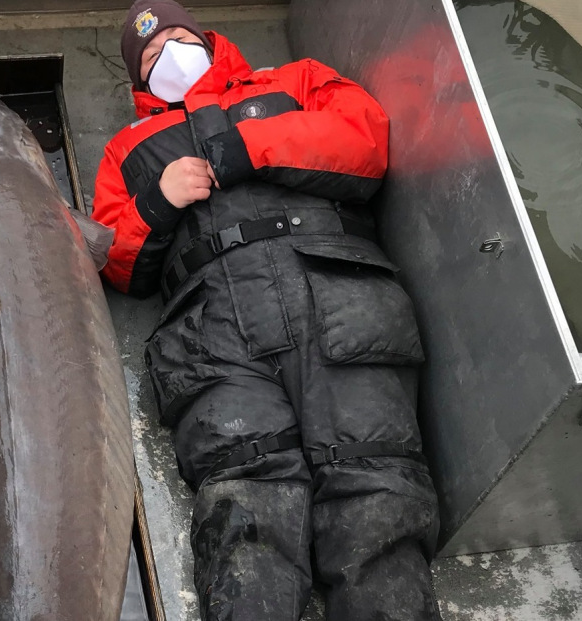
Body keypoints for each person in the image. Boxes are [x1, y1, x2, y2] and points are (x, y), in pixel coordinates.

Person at [91, 1, 442, 620]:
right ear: (137, 82)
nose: (168, 53)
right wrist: (158, 201)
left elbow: (364, 139)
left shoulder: (297, 80)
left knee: (374, 482)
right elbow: (116, 259)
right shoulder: (127, 148)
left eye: (177, 37)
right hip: (214, 334)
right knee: (243, 500)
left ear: (206, 40)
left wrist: (250, 147)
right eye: (150, 55)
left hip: (338, 300)